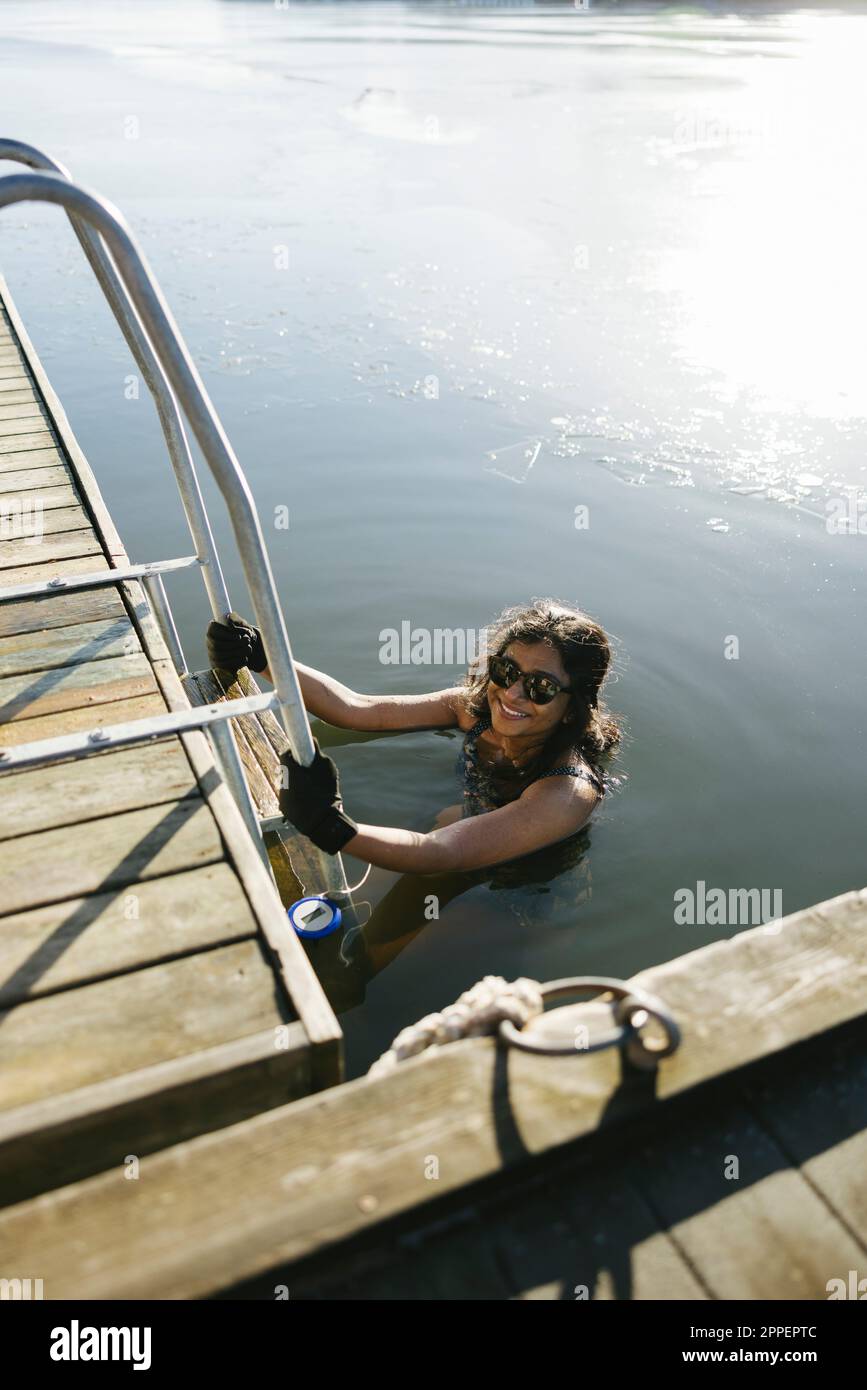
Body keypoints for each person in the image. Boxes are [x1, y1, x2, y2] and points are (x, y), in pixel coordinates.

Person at [205, 599, 622, 874]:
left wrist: (330, 826)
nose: (512, 694)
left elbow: (444, 853)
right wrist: (262, 658)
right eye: (507, 671)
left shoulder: (566, 793)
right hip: (465, 821)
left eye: (541, 687)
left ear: (575, 703)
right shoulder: (471, 709)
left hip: (522, 883)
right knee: (443, 819)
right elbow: (357, 710)